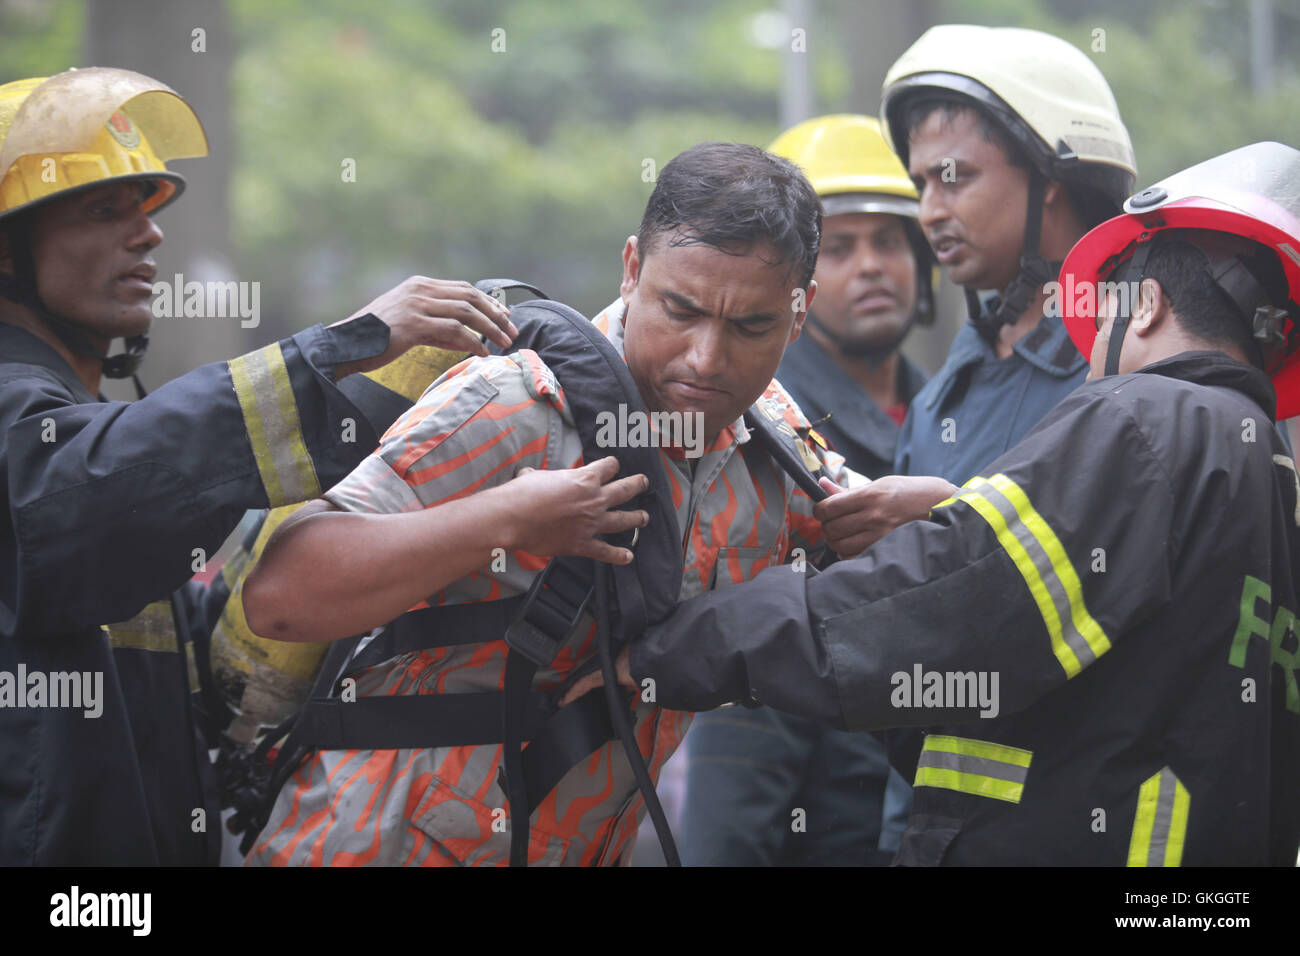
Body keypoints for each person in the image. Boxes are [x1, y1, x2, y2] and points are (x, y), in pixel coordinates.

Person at [570, 142, 1300, 866]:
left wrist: (674, 649)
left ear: (1144, 308)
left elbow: (957, 597)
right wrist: (961, 508)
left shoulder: (1151, 416)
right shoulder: (1266, 468)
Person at [239, 142, 908, 867]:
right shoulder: (512, 405)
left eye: (752, 327)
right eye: (679, 309)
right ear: (631, 270)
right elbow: (280, 596)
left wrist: (939, 504)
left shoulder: (772, 442)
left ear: (800, 314)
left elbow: (890, 571)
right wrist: (503, 520)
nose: (706, 360)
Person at [0, 67, 520, 865]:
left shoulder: (86, 427)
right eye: (104, 211)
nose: (148, 235)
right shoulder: (34, 433)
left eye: (145, 210)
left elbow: (189, 671)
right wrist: (341, 350)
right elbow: (73, 503)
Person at [678, 114, 933, 866]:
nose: (874, 267)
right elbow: (745, 724)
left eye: (890, 240)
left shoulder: (942, 408)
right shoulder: (760, 432)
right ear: (797, 286)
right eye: (844, 246)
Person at [882, 24, 1137, 484]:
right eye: (921, 185)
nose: (929, 212)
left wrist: (957, 525)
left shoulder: (1147, 363)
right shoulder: (934, 406)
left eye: (954, 178)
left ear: (1051, 180)